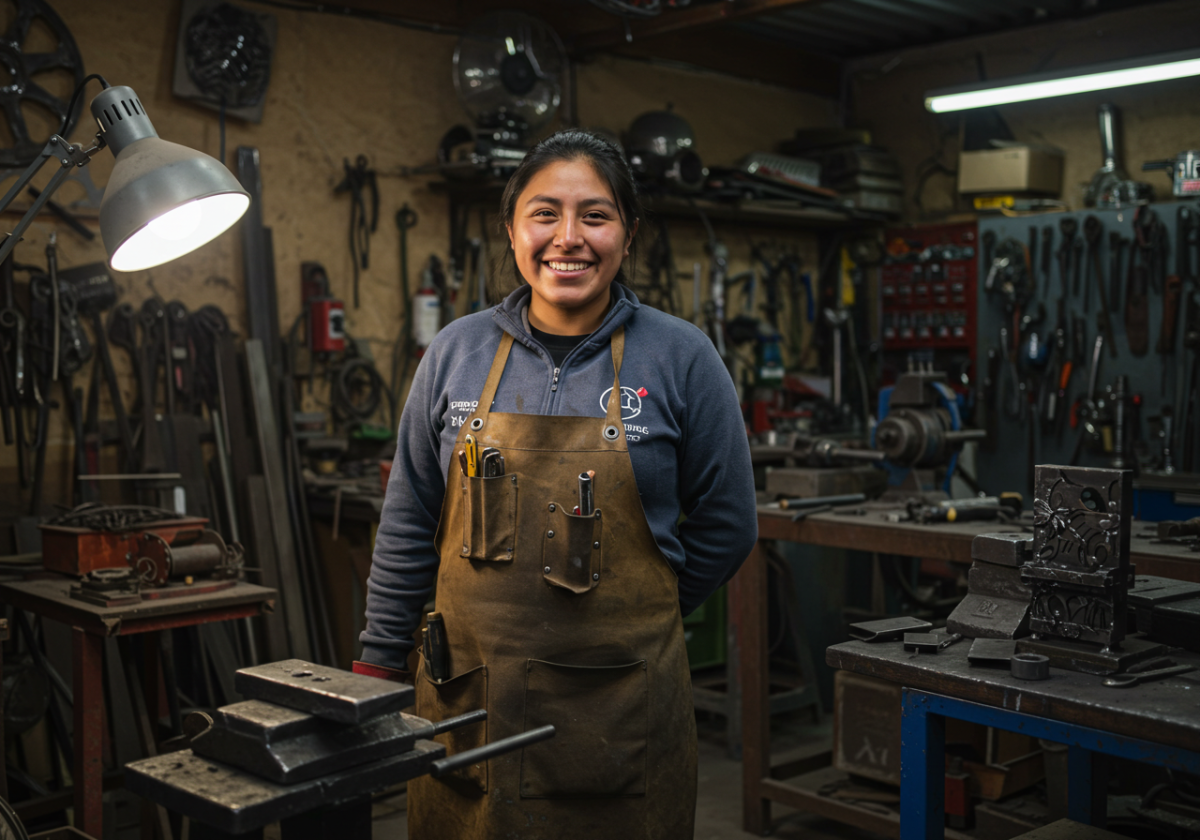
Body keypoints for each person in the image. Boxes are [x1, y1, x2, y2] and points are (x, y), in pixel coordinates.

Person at [355, 129, 757, 839]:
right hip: (470, 703)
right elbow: (411, 520)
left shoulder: (683, 357)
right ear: (512, 230)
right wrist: (378, 665)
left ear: (627, 235)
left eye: (595, 216)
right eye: (545, 213)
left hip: (623, 712)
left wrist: (642, 606)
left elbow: (729, 524)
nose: (567, 238)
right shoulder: (454, 353)